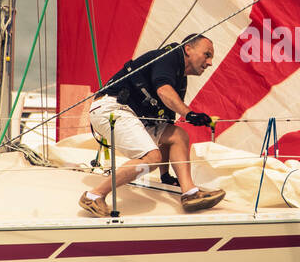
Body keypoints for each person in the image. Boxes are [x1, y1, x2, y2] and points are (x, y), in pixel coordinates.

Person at [80, 34, 225, 216]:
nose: (210, 62)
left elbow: (164, 126)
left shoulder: (179, 78)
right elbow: (163, 90)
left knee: (178, 135)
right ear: (188, 49)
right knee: (152, 157)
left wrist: (165, 176)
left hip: (129, 114)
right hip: (111, 108)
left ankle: (189, 193)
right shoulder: (169, 57)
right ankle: (94, 196)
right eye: (207, 54)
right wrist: (189, 114)